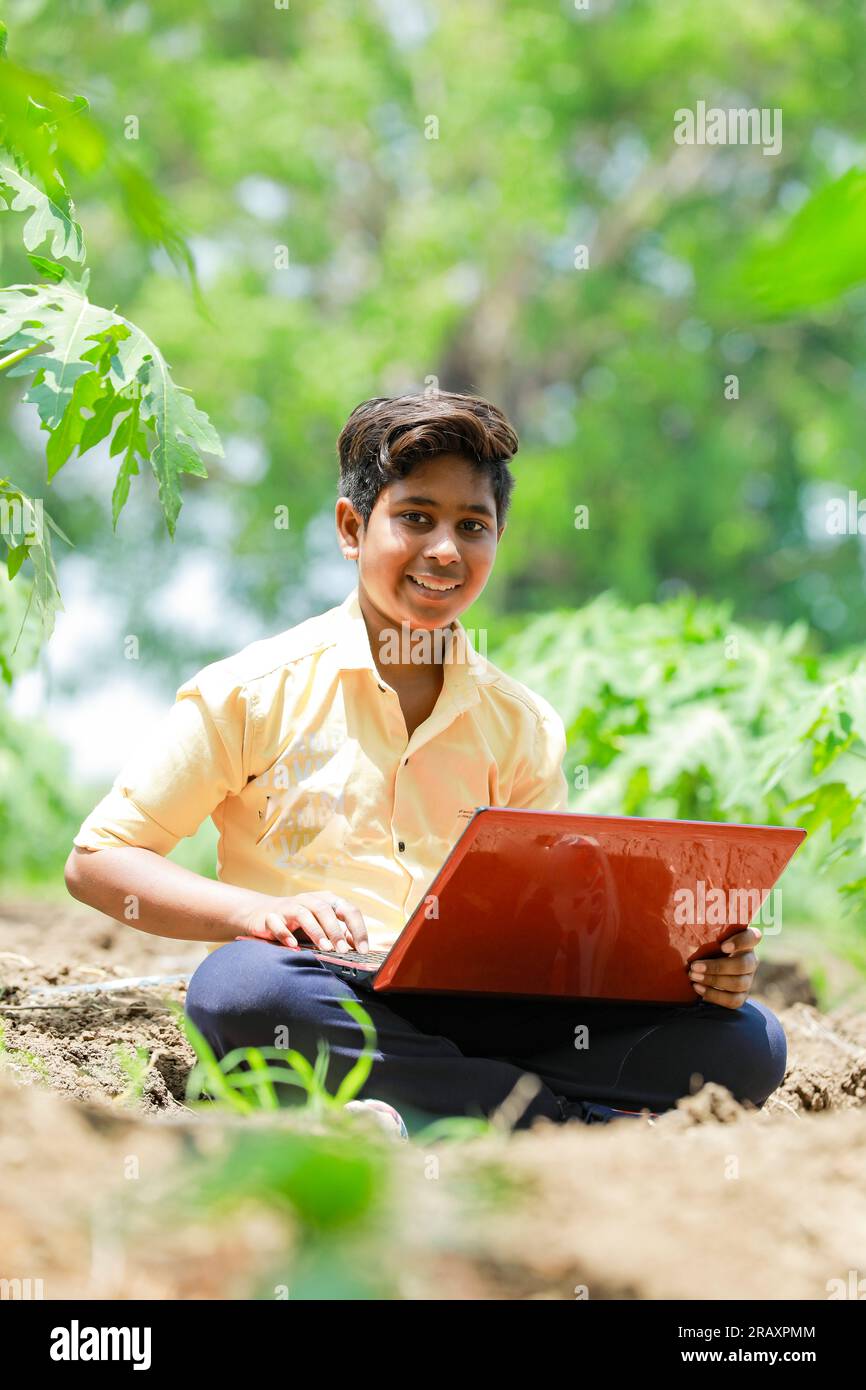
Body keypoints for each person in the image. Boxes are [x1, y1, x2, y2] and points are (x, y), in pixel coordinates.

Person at [65, 391, 787, 1137]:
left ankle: (434, 1107)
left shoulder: (522, 724)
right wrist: (258, 913)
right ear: (353, 528)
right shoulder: (249, 692)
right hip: (322, 991)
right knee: (241, 989)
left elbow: (551, 928)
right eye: (416, 517)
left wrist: (685, 964)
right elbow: (100, 861)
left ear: (497, 540)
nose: (445, 549)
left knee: (748, 1040)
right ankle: (567, 1119)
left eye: (472, 526)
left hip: (486, 1012)